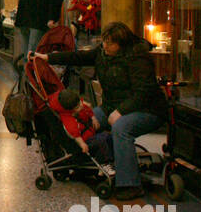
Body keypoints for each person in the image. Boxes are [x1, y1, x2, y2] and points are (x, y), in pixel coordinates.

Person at [38, 20, 168, 199]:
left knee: (121, 128)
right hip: (112, 107)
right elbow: (79, 58)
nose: (104, 46)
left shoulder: (138, 58)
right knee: (84, 118)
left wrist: (120, 111)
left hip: (148, 110)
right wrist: (48, 58)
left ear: (121, 45)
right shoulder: (103, 52)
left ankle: (130, 184)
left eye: (109, 43)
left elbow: (144, 92)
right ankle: (90, 163)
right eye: (104, 41)